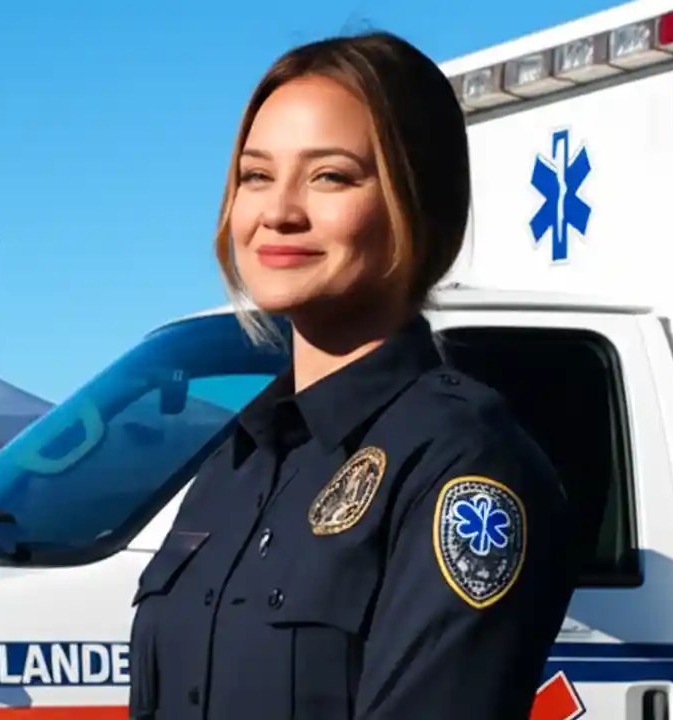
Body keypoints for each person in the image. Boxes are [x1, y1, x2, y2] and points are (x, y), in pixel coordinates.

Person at [128, 30, 574, 720]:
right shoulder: (234, 465)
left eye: (329, 176)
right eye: (256, 175)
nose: (278, 211)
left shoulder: (463, 464)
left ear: (418, 205)